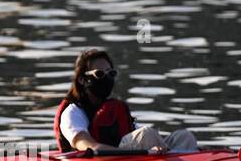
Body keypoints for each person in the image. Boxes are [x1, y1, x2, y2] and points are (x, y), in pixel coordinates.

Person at [54, 49, 199, 155]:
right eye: (99, 74)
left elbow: (138, 134)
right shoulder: (73, 112)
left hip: (128, 159)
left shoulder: (113, 109)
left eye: (111, 73)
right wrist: (144, 151)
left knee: (184, 136)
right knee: (146, 134)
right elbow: (88, 146)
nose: (107, 78)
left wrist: (155, 149)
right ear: (82, 79)